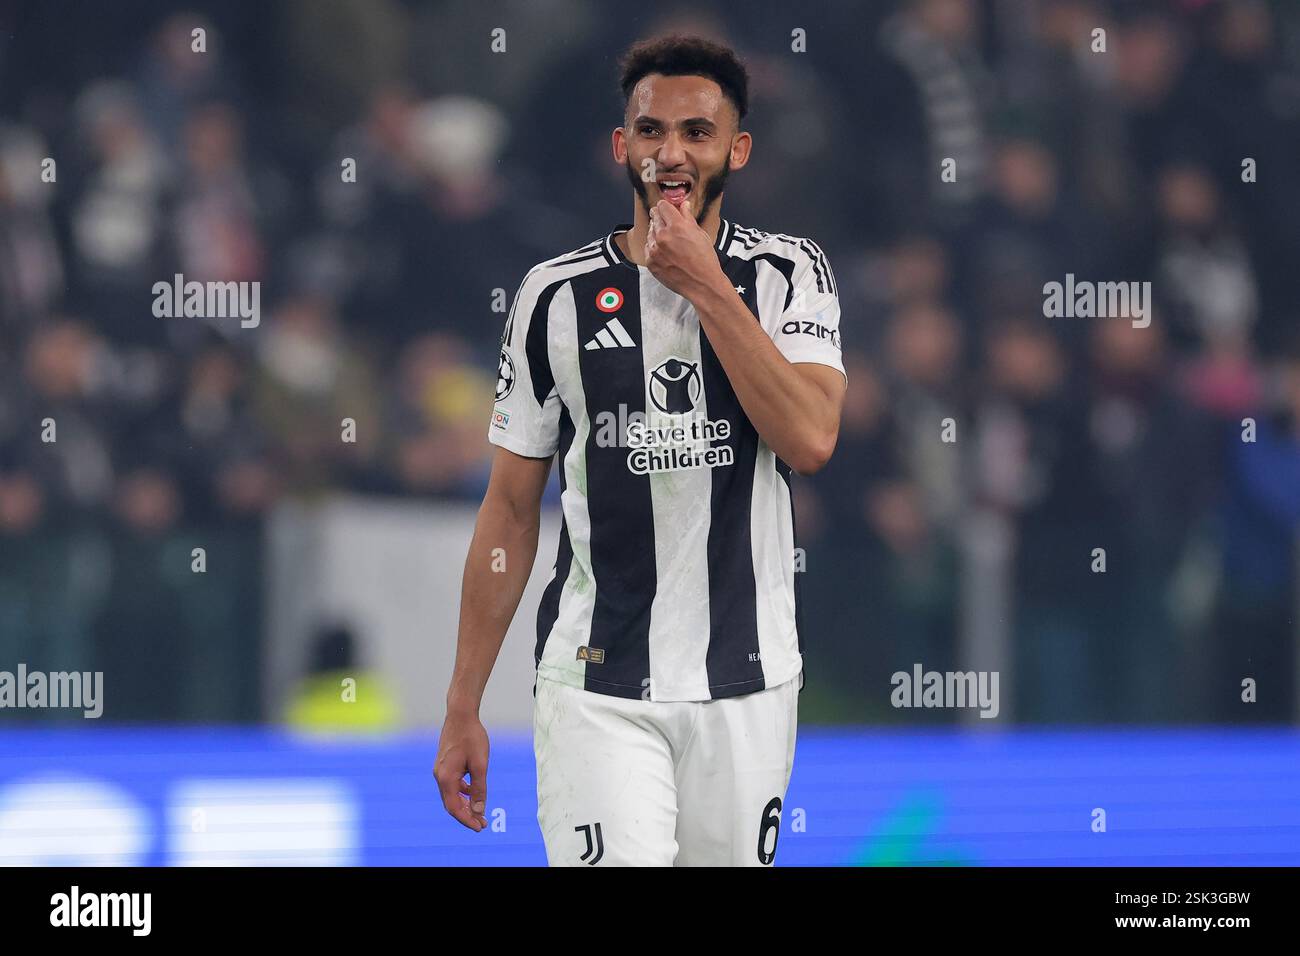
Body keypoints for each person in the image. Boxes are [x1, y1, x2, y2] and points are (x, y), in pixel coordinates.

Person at [434, 34, 846, 866]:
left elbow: (808, 438)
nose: (672, 152)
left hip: (749, 683)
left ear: (738, 149)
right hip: (597, 685)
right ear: (623, 147)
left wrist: (702, 282)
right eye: (652, 131)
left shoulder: (790, 274)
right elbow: (510, 509)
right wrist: (463, 701)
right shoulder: (552, 296)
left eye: (697, 132)